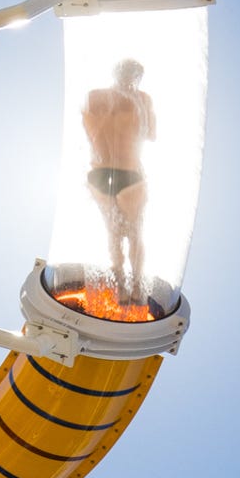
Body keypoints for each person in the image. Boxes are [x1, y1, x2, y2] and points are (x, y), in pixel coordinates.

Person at [82, 58, 156, 301]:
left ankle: (125, 286)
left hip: (103, 172)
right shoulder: (141, 99)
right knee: (130, 232)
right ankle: (133, 286)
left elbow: (88, 130)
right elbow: (151, 134)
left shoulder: (96, 96)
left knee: (117, 231)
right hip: (126, 170)